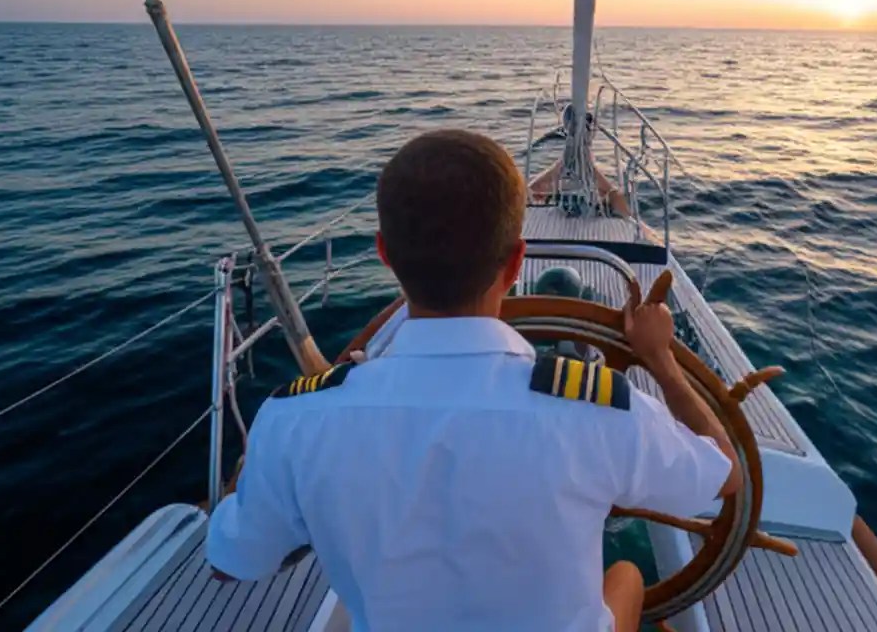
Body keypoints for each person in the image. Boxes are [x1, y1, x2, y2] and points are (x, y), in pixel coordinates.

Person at [206, 129, 741, 632]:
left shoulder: (295, 420)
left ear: (385, 255)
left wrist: (253, 469)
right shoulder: (600, 411)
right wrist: (660, 360)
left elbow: (228, 566)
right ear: (515, 263)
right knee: (624, 575)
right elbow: (727, 476)